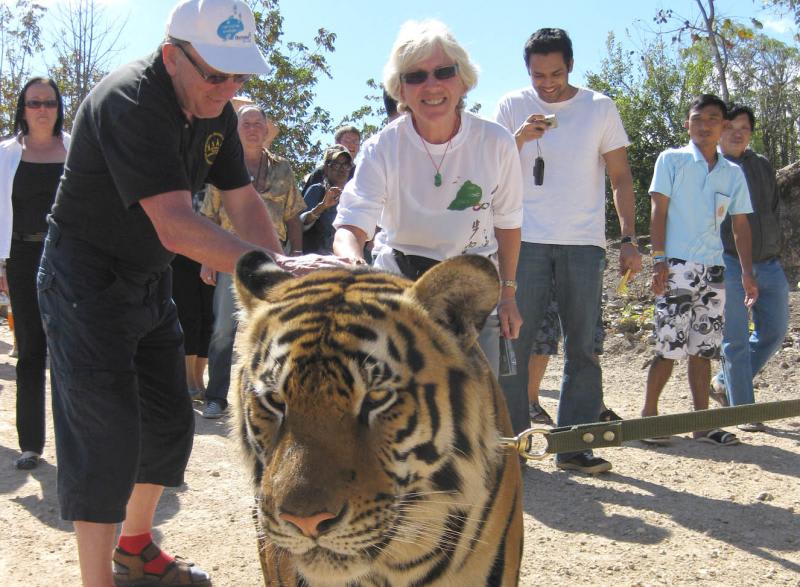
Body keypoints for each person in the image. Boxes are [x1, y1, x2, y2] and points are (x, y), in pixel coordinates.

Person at [36, 1, 336, 585]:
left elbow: (244, 202)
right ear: (173, 56)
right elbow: (174, 224)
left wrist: (284, 285)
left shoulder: (215, 111)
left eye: (239, 76)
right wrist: (276, 268)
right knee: (106, 437)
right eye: (216, 74)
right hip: (84, 283)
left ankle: (136, 548)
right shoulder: (131, 102)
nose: (228, 89)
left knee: (170, 423)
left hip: (148, 280)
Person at [333, 18, 523, 375]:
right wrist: (355, 268)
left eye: (443, 72)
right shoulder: (381, 148)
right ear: (400, 90)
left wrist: (509, 295)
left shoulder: (497, 143)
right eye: (415, 76)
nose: (431, 85)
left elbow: (509, 224)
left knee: (478, 414)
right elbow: (351, 226)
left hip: (474, 292)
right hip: (400, 291)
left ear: (463, 79)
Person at [494, 28, 641, 474]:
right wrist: (518, 138)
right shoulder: (510, 106)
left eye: (556, 73)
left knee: (584, 346)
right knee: (513, 344)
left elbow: (620, 177)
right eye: (538, 75)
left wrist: (630, 238)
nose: (547, 83)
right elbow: (488, 169)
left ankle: (574, 447)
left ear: (571, 66)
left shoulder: (599, 107)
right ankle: (512, 449)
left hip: (584, 244)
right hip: (525, 240)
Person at [642, 94, 758, 447]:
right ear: (687, 123)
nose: (705, 125)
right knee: (668, 345)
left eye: (712, 118)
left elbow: (740, 225)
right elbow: (658, 210)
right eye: (698, 118)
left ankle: (701, 422)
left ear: (723, 125)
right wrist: (658, 259)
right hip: (676, 266)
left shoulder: (732, 172)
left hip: (714, 270)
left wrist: (748, 273)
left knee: (704, 348)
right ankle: (648, 418)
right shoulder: (672, 160)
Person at [199, 104, 306, 419]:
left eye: (259, 123)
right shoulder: (222, 165)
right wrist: (206, 259)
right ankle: (216, 397)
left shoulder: (283, 168)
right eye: (246, 123)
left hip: (272, 263)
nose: (253, 128)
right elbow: (209, 215)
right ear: (237, 129)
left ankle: (268, 399)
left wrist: (296, 255)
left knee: (274, 331)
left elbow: (294, 215)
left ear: (266, 129)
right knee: (222, 330)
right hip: (227, 257)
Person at [0, 77, 69, 470]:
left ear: (59, 107)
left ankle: (73, 441)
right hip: (22, 257)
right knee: (30, 351)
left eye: (49, 102)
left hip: (70, 258)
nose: (42, 109)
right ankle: (30, 445)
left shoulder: (77, 149)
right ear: (22, 109)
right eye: (33, 103)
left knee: (69, 351)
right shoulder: (6, 154)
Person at [710, 104, 788, 432]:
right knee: (736, 339)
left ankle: (726, 381)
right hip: (727, 260)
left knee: (774, 332)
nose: (738, 133)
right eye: (731, 127)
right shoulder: (708, 168)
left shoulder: (762, 166)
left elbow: (770, 209)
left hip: (768, 263)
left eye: (744, 127)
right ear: (720, 131)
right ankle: (742, 410)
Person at [170, 189, 215, 399]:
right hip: (180, 253)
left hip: (213, 252)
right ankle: (188, 380)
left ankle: (198, 379)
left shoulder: (220, 177)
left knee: (209, 318)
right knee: (188, 316)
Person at [302, 144, 353, 255]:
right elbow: (300, 223)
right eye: (336, 164)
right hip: (317, 260)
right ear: (326, 168)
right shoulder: (317, 190)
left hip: (345, 260)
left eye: (346, 165)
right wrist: (322, 206)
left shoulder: (354, 196)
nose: (342, 169)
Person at [301, 124, 361, 193]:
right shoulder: (321, 172)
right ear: (337, 143)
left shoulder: (360, 173)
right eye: (347, 141)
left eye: (356, 142)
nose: (352, 145)